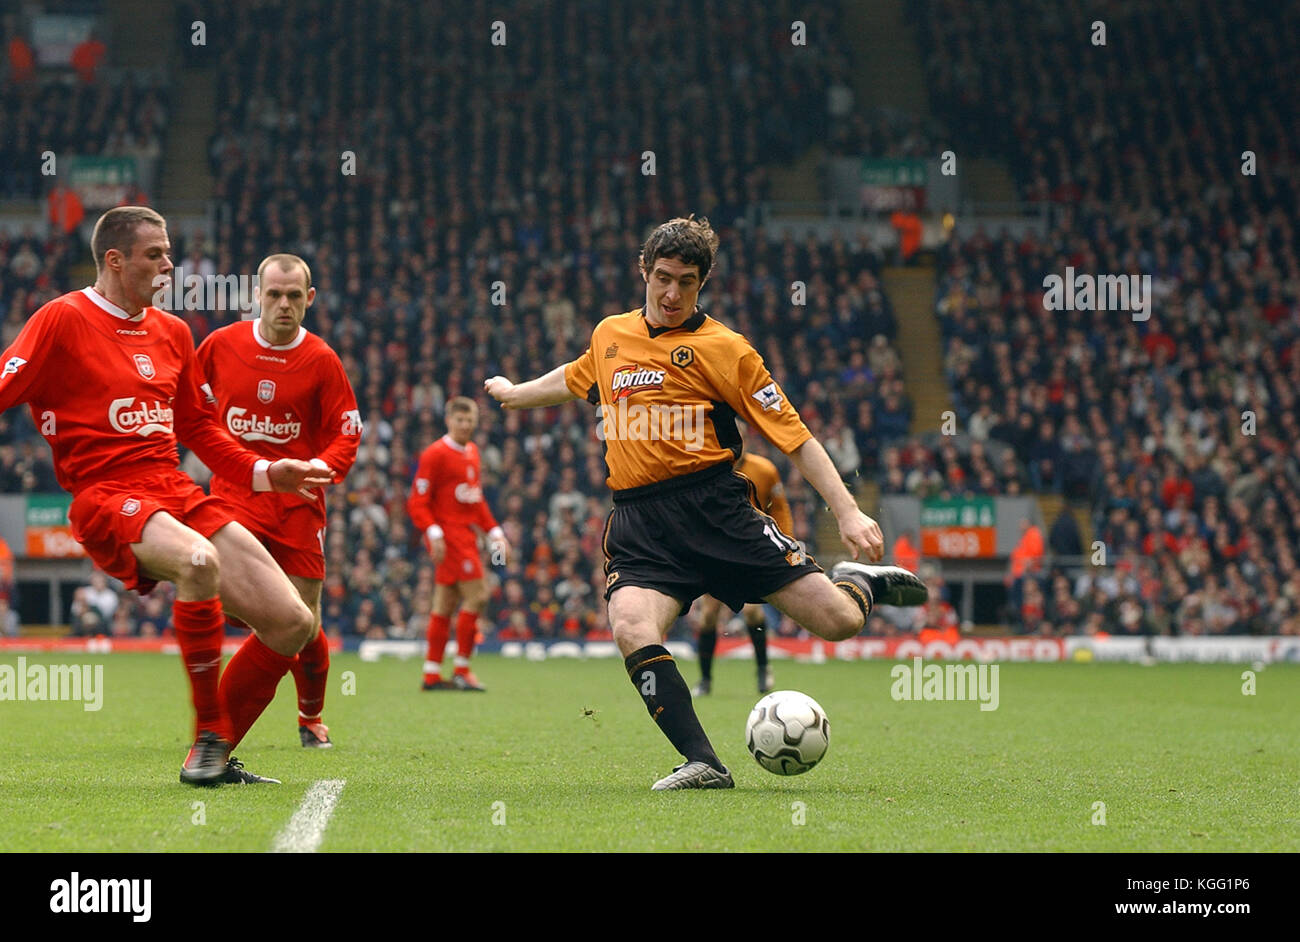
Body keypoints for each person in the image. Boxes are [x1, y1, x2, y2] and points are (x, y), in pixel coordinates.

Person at [485, 215, 927, 790]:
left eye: (687, 282)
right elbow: (576, 376)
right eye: (663, 278)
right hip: (640, 521)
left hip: (716, 512)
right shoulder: (610, 335)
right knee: (630, 624)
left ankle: (861, 582)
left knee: (838, 622)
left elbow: (793, 435)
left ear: (704, 282)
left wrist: (845, 509)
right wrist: (516, 394)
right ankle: (705, 762)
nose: (672, 294)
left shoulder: (727, 350)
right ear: (643, 270)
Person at [0, 206, 332, 786]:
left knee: (293, 622)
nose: (168, 264)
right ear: (115, 260)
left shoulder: (175, 332)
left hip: (176, 490)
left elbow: (201, 429)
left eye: (168, 252)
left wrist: (264, 471)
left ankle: (213, 753)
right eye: (155, 254)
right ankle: (207, 734)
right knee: (198, 562)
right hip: (106, 494)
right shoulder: (61, 319)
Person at [196, 253, 361, 748]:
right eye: (274, 294)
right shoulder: (220, 347)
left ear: (309, 299)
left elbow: (346, 431)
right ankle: (216, 725)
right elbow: (190, 408)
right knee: (233, 604)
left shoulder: (322, 360)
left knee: (303, 623)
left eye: (294, 295)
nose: (283, 304)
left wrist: (319, 468)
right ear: (257, 296)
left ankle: (310, 717)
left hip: (297, 506)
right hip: (235, 495)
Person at [407, 397, 510, 692]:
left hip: (466, 537)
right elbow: (417, 501)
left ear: (475, 421)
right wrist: (434, 533)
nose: (465, 425)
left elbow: (475, 502)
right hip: (451, 540)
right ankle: (462, 669)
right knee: (478, 595)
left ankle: (430, 673)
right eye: (460, 420)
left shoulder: (473, 453)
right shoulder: (435, 454)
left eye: (469, 420)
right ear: (448, 421)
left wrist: (495, 532)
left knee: (445, 603)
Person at [693, 449, 793, 695]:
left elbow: (779, 507)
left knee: (751, 611)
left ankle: (762, 670)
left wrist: (787, 540)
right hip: (716, 550)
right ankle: (705, 680)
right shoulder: (709, 466)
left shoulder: (765, 469)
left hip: (752, 549)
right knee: (708, 615)